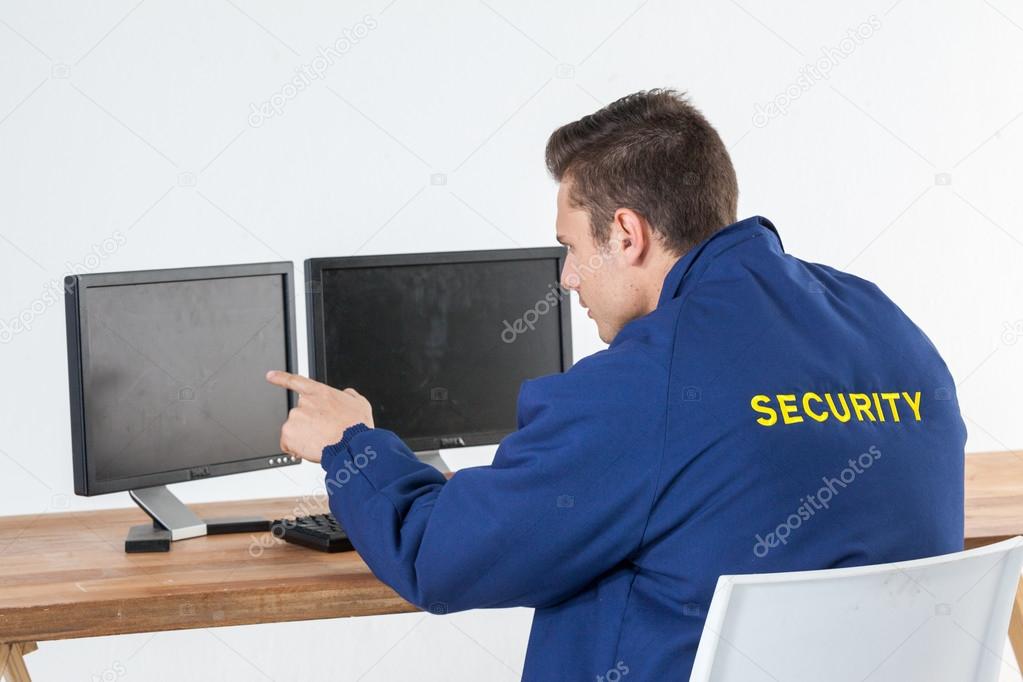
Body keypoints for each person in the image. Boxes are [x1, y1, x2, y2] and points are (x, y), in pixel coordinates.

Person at [266, 89, 966, 681]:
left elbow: (438, 559)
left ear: (626, 234)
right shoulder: (884, 323)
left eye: (571, 247)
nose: (568, 278)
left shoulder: (639, 388)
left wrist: (351, 445)